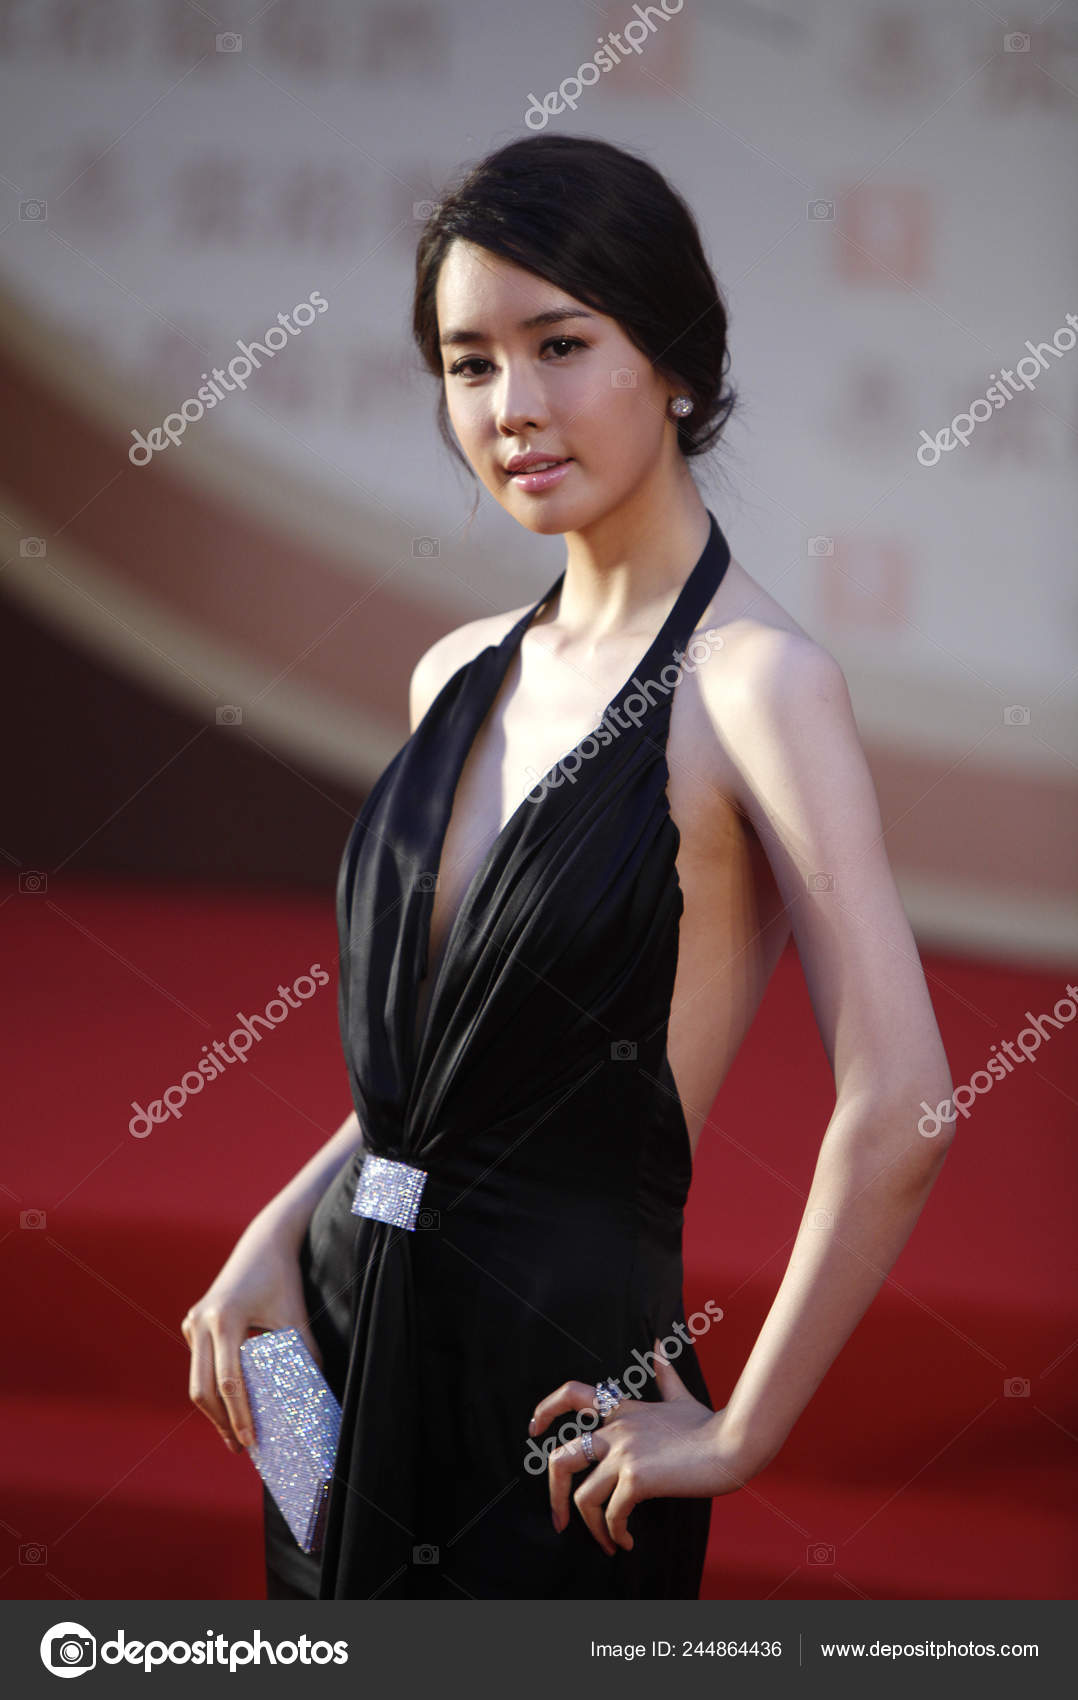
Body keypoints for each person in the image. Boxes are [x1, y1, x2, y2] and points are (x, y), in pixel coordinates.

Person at [181, 134, 955, 1601]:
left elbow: (906, 1105)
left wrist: (736, 1435)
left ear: (670, 359)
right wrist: (267, 1239)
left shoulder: (757, 685)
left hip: (559, 1402)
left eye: (559, 346)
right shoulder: (453, 671)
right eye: (467, 364)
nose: (511, 408)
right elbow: (439, 1082)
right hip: (318, 1340)